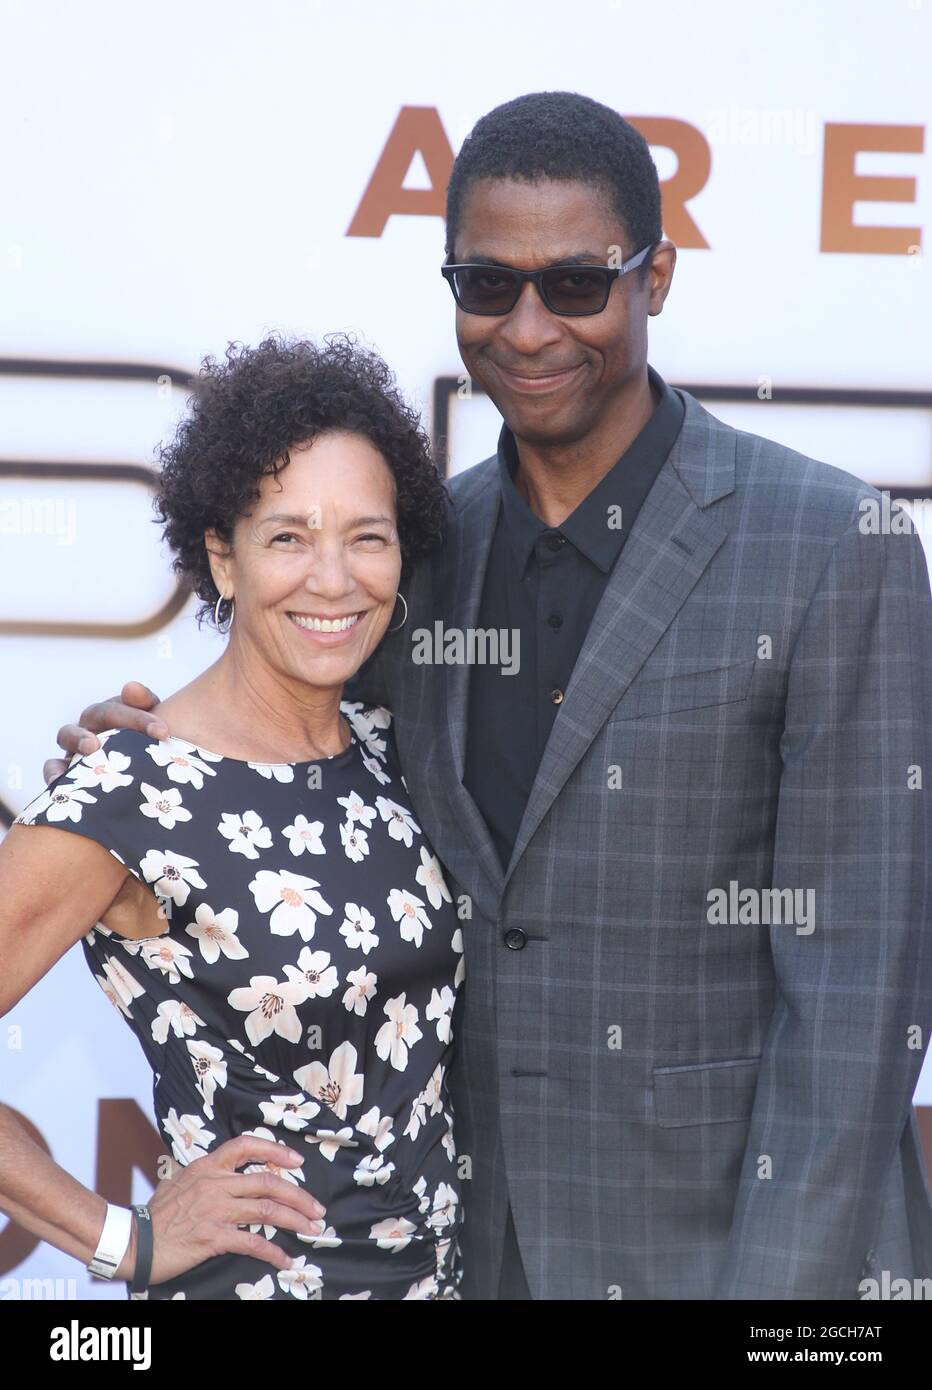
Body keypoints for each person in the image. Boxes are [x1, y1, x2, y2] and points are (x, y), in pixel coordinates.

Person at [46, 92, 932, 1301]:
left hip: (714, 1251)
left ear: (653, 278)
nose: (525, 328)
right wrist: (144, 762)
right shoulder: (415, 554)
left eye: (574, 284)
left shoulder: (829, 545)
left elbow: (856, 995)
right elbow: (293, 761)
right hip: (453, 1250)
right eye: (483, 283)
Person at [1, 333, 465, 1300]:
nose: (333, 579)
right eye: (288, 536)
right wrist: (115, 1239)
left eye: (367, 537)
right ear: (222, 558)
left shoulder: (392, 749)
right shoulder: (132, 788)